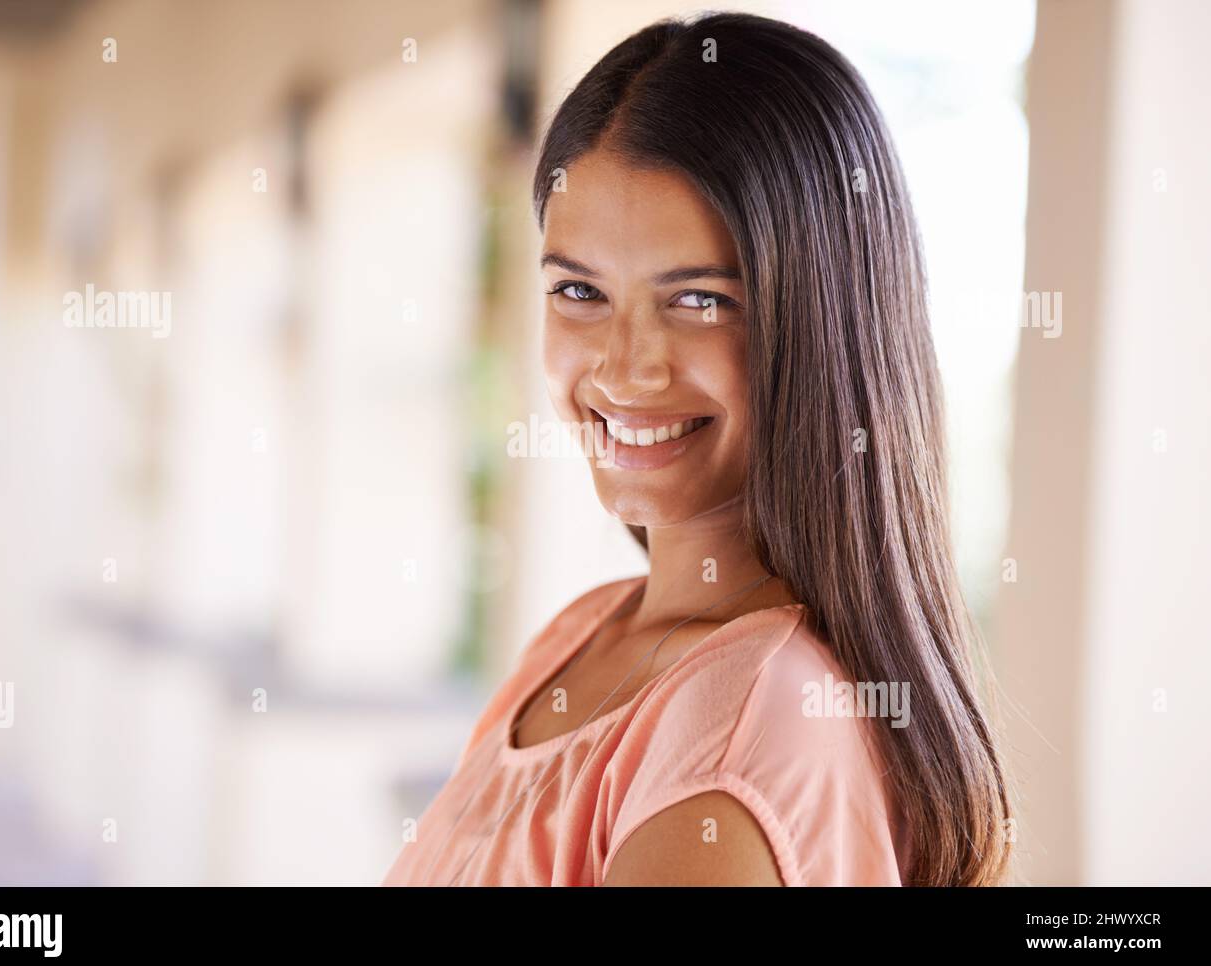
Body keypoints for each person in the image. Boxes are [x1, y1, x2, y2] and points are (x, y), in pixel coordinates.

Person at [383, 11, 1011, 887]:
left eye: (701, 300)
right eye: (578, 289)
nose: (624, 368)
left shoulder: (746, 719)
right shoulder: (580, 637)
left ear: (824, 323)